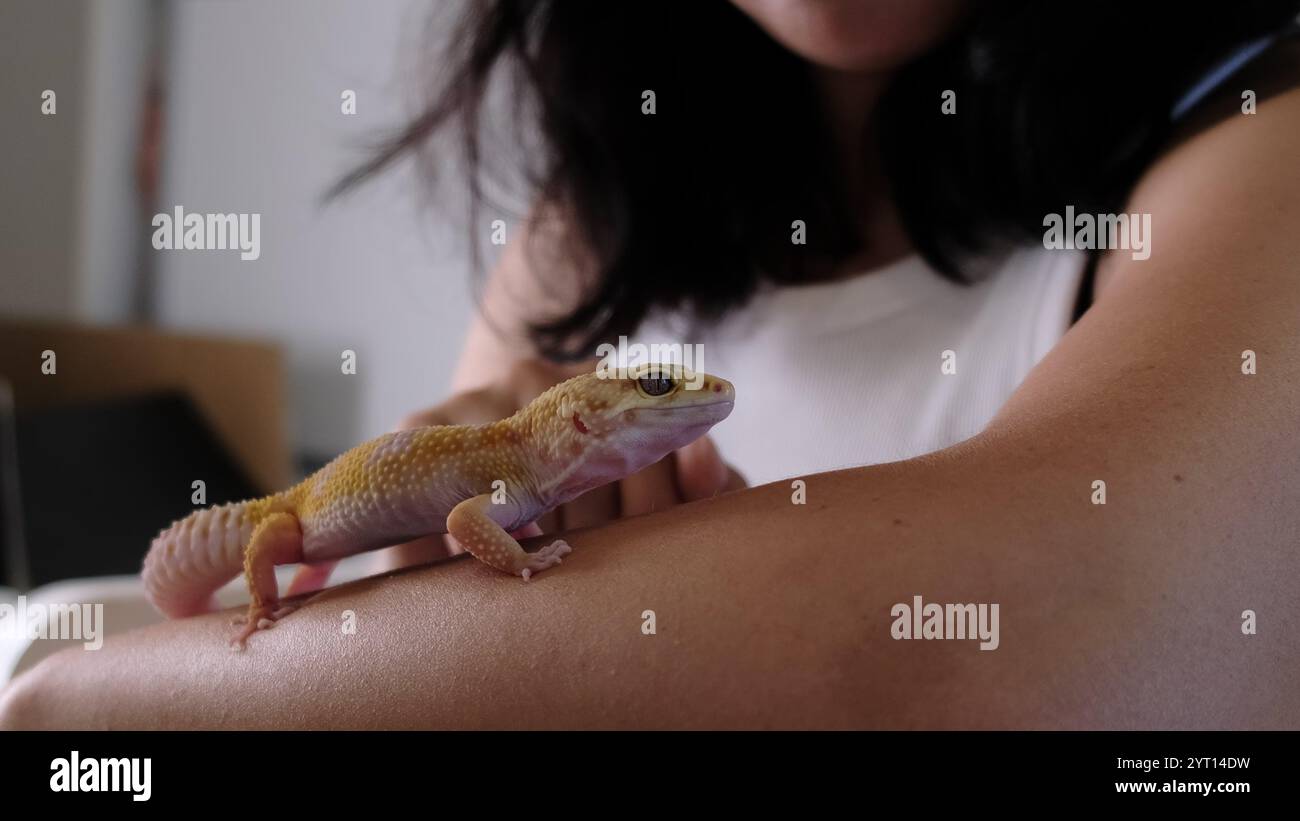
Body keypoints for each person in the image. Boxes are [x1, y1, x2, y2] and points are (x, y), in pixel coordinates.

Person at [4, 0, 1300, 729]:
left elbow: (1027, 658)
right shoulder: (595, 226)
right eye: (656, 385)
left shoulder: (1260, 145)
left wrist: (71, 711)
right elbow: (438, 602)